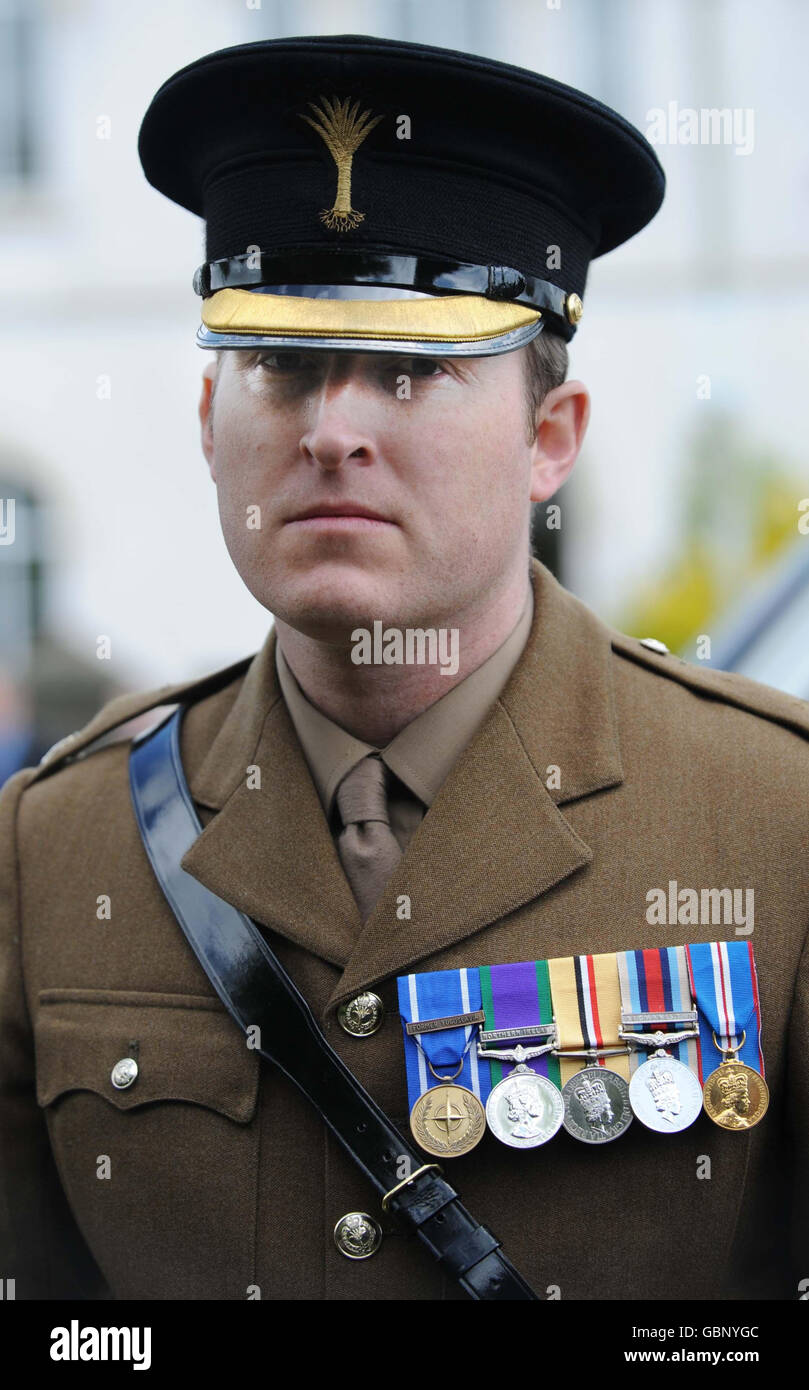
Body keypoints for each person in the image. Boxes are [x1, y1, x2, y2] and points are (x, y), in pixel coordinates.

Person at [0, 33, 806, 1303]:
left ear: (550, 439)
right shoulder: (57, 842)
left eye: (414, 371)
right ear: (211, 425)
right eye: (278, 365)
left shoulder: (772, 819)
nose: (330, 432)